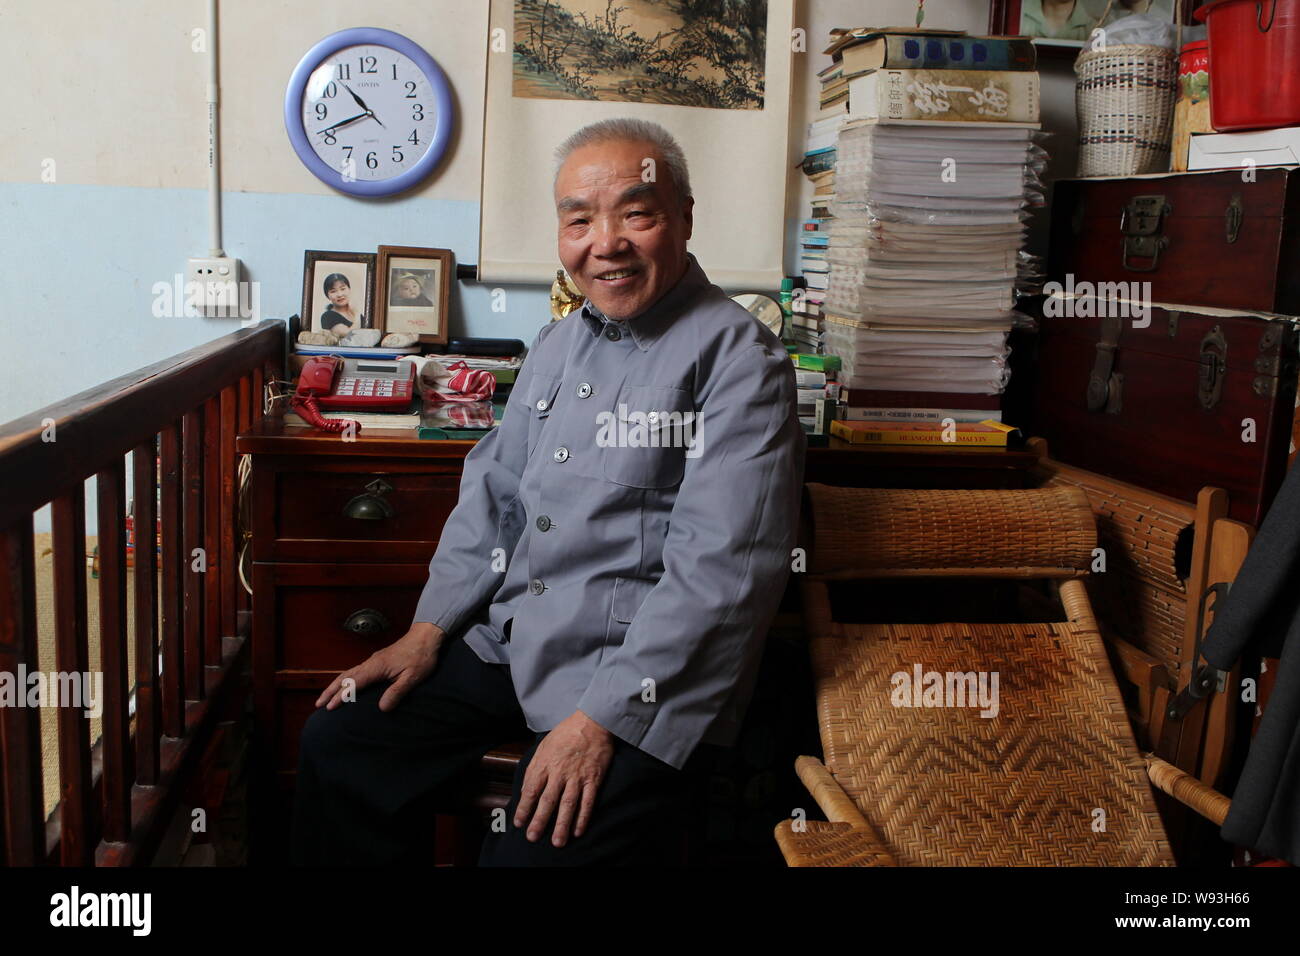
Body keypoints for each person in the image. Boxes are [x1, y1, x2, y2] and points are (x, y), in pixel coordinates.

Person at [292, 117, 806, 866]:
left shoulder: (741, 359)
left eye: (637, 212)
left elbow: (722, 575)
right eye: (579, 220)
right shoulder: (559, 342)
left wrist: (602, 721)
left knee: (528, 854)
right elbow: (495, 498)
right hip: (518, 643)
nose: (607, 242)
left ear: (684, 219)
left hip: (645, 676)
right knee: (341, 741)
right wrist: (428, 630)